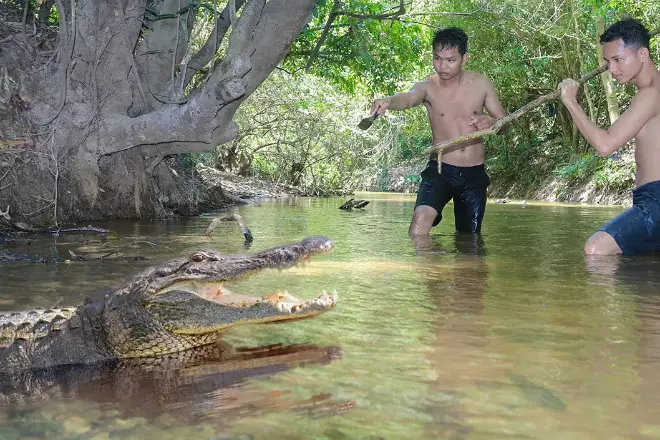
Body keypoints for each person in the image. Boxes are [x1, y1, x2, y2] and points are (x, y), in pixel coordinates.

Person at [370, 27, 508, 235]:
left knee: (469, 241)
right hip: (440, 169)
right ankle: (427, 268)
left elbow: (505, 125)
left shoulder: (481, 84)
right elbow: (408, 98)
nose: (442, 66)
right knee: (419, 225)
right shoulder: (427, 87)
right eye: (437, 58)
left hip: (474, 173)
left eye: (450, 60)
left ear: (464, 58)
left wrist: (492, 123)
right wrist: (388, 101)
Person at [558, 19, 660, 255]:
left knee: (595, 249)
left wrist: (571, 102)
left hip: (655, 201)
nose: (612, 69)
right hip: (650, 199)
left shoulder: (650, 95)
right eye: (607, 62)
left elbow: (605, 145)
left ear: (643, 54)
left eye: (618, 59)